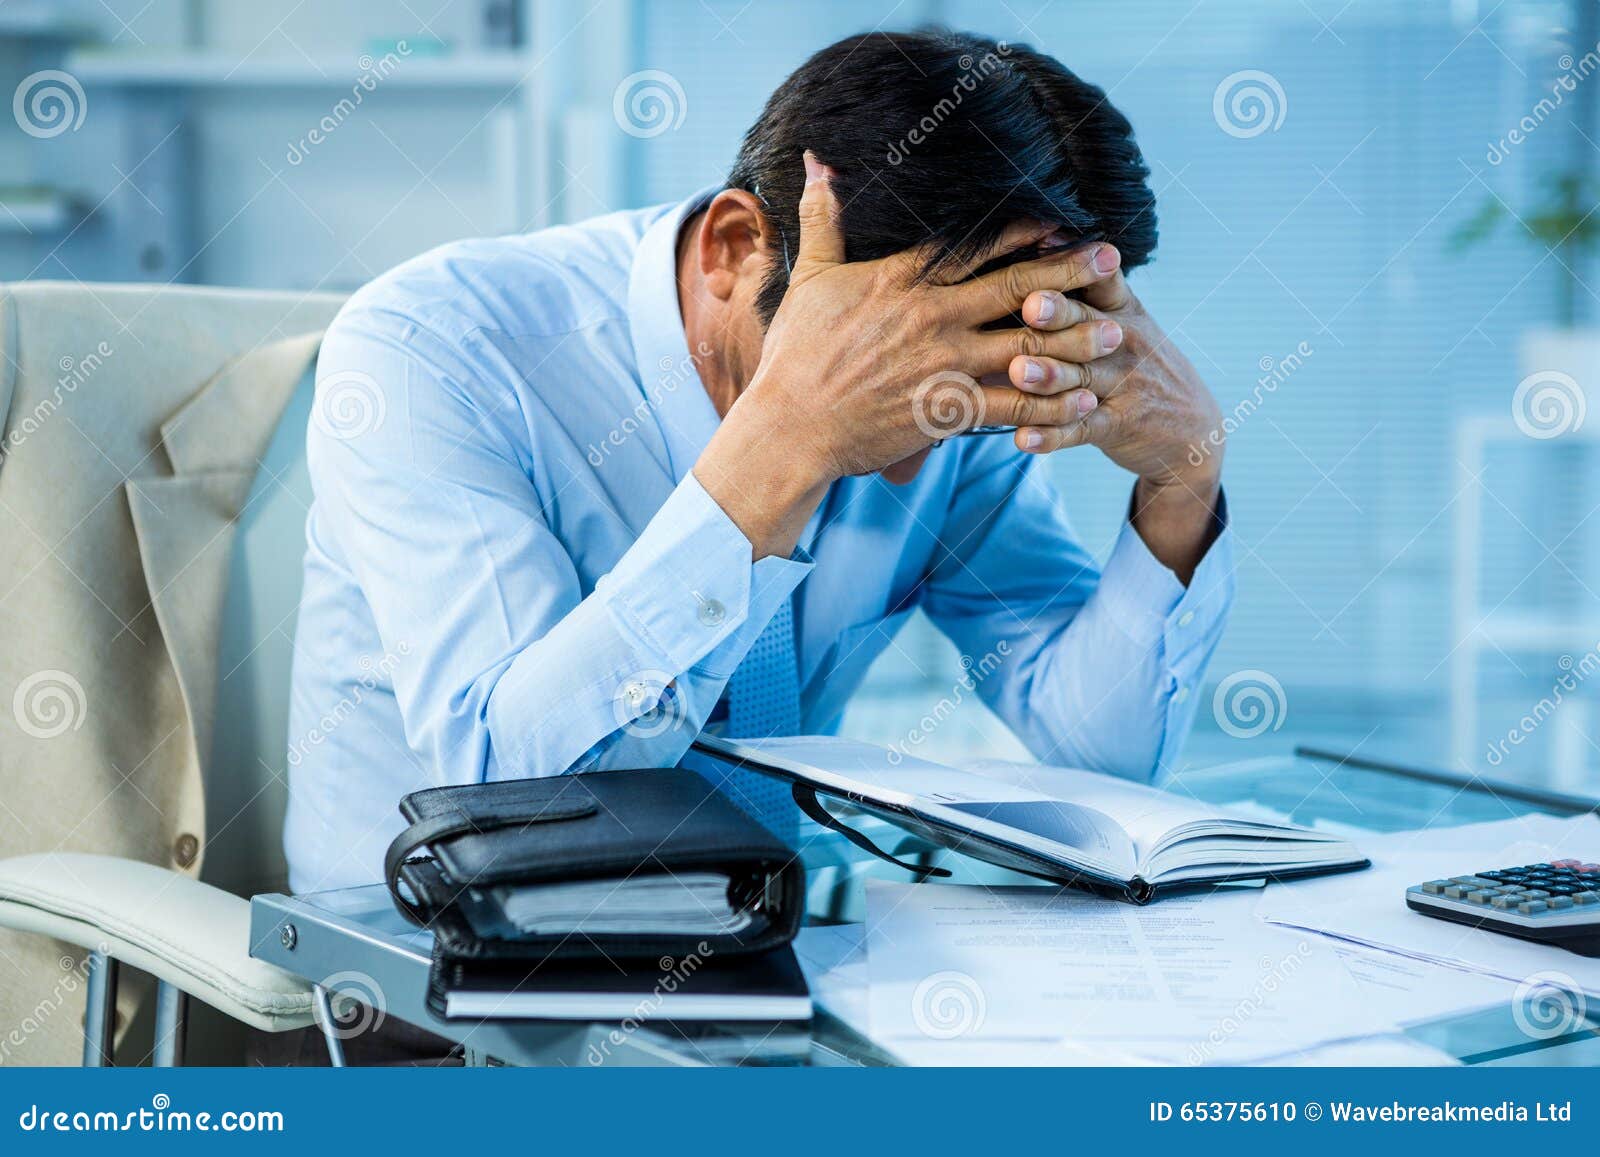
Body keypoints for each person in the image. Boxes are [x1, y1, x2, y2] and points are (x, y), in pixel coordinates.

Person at [284, 28, 1234, 894]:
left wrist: (1180, 486)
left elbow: (1098, 767)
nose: (923, 468)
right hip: (426, 987)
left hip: (773, 957)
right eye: (914, 379)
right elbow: (512, 803)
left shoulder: (963, 407)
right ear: (738, 249)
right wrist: (786, 446)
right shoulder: (433, 347)